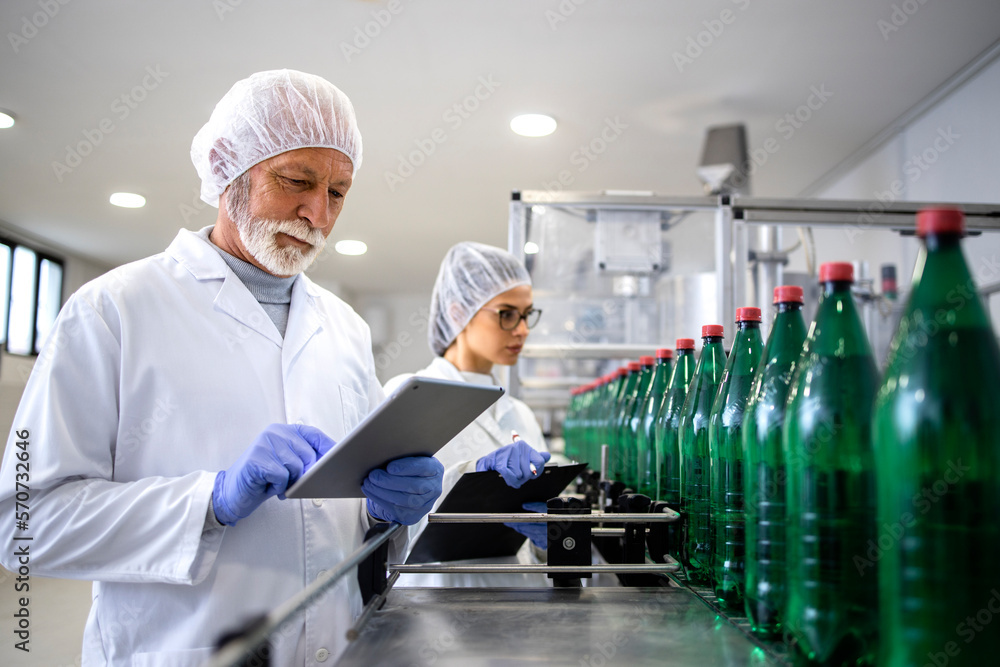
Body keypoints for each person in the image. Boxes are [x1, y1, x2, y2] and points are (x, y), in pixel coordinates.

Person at [0, 69, 443, 666]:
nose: (317, 214)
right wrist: (210, 500)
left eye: (338, 193)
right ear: (225, 167)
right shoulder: (114, 309)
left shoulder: (345, 328)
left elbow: (339, 515)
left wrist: (382, 509)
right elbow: (25, 524)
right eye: (296, 181)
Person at [384, 242, 556, 588]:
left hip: (521, 600)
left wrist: (549, 536)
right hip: (431, 604)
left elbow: (532, 545)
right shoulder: (408, 395)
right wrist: (472, 478)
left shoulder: (520, 414)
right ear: (458, 311)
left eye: (526, 315)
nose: (522, 329)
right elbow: (385, 522)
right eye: (507, 313)